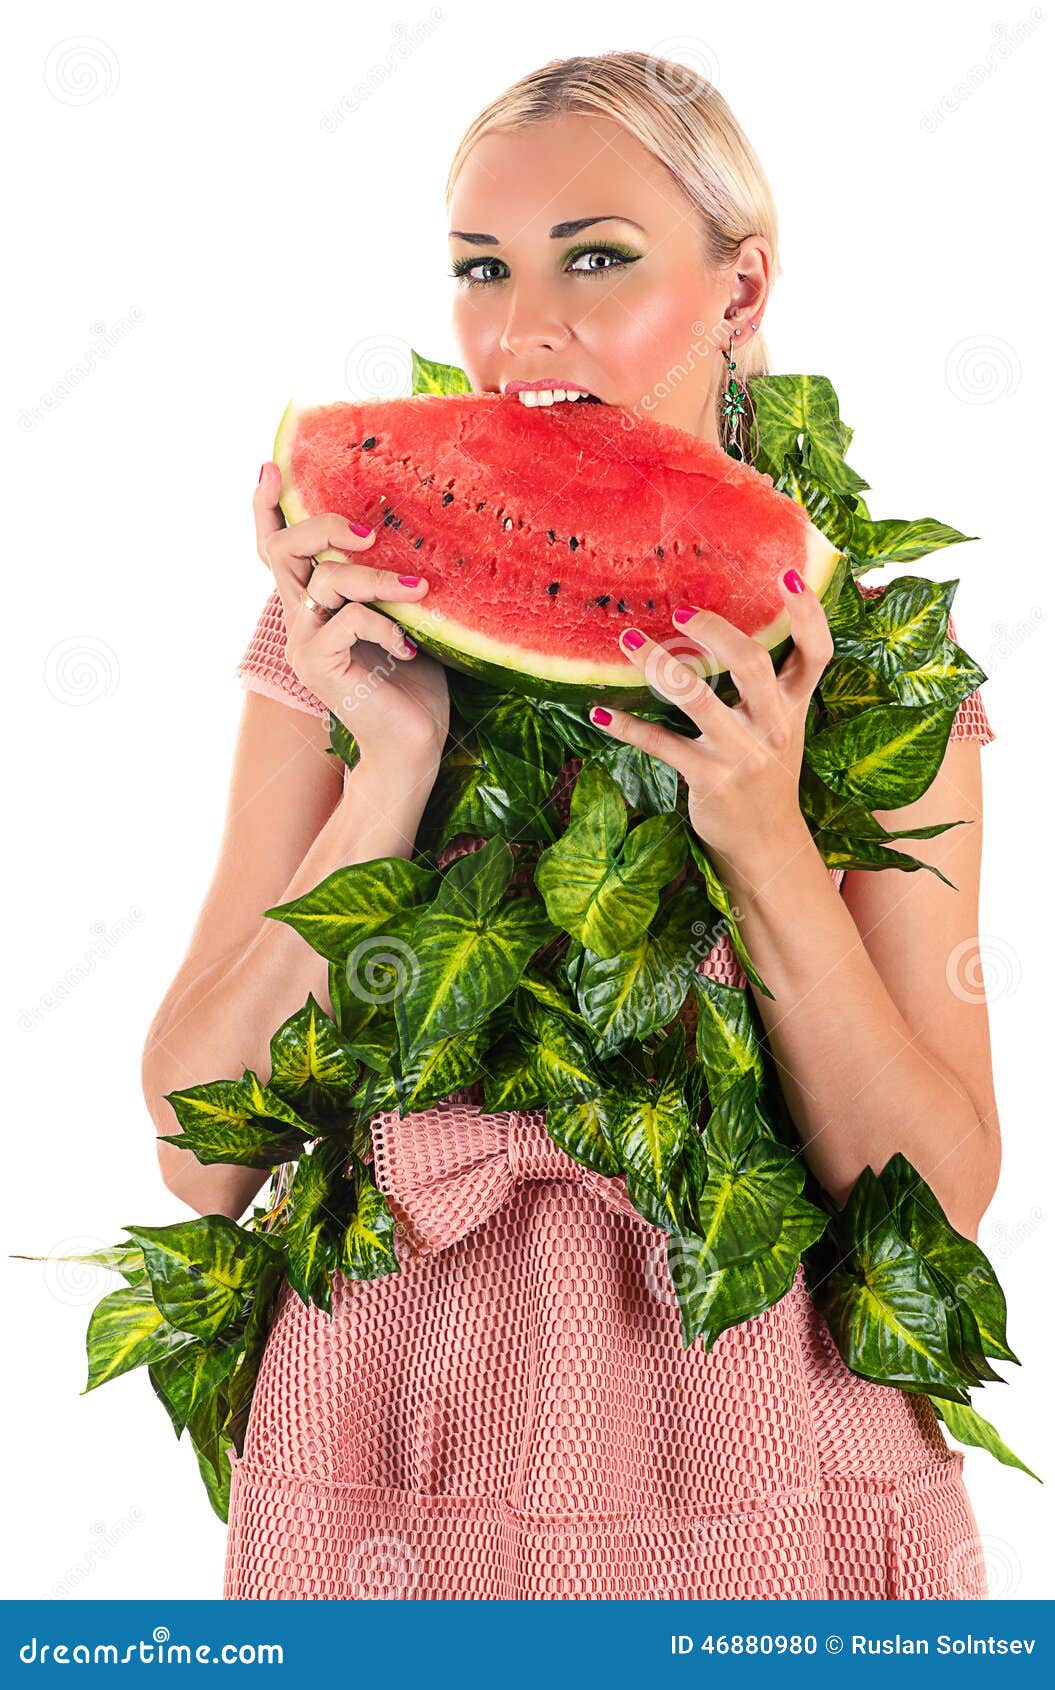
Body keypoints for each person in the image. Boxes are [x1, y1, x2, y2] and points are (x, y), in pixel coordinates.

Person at [142, 51, 999, 1601]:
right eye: (481, 268)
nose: (519, 330)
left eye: (594, 258)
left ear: (739, 295)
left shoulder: (869, 668)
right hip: (393, 1426)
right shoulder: (336, 632)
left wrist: (760, 829)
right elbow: (194, 1148)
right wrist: (387, 770)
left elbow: (930, 1200)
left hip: (758, 1443)